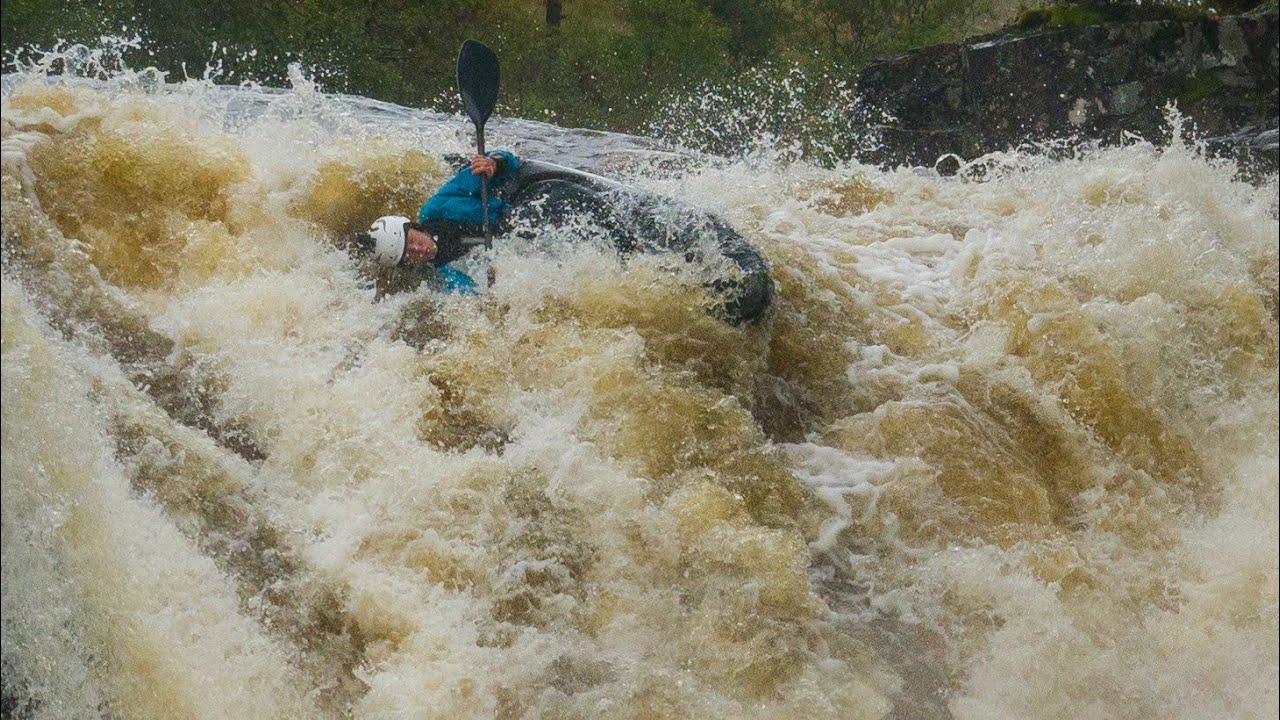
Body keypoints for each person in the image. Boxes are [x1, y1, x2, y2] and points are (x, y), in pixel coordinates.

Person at [356, 150, 520, 293]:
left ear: (413, 226)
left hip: (520, 206)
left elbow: (508, 161)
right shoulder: (439, 274)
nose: (419, 249)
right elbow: (469, 293)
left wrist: (494, 163)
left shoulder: (437, 208)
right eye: (409, 254)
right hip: (519, 244)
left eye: (412, 240)